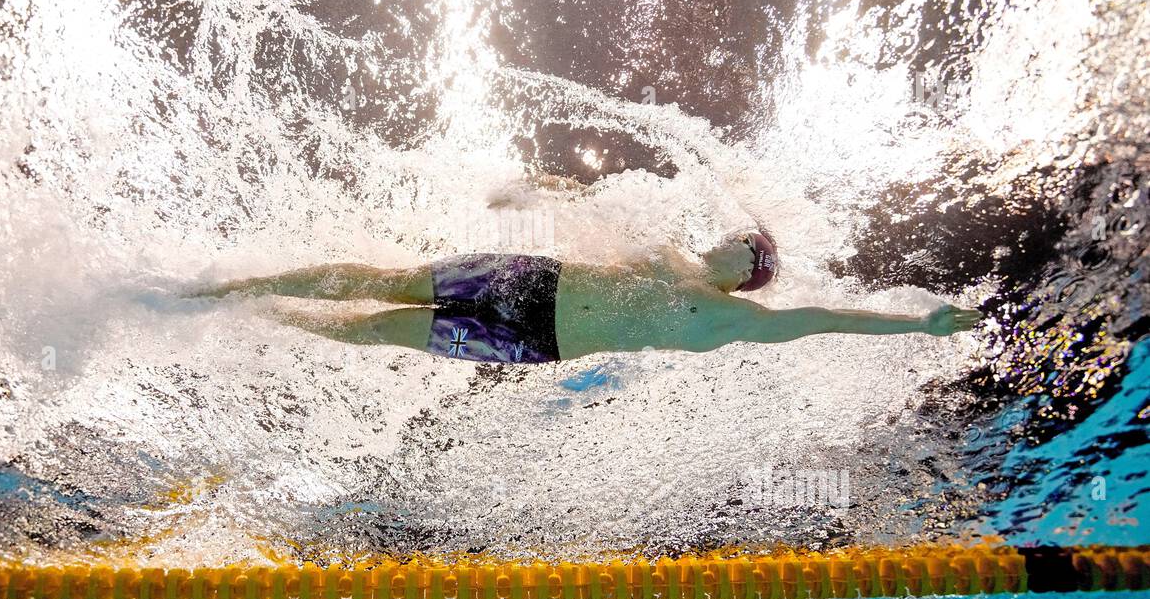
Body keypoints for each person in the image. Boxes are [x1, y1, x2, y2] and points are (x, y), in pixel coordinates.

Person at [192, 229, 982, 363]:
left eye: (745, 251)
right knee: (378, 281)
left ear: (747, 276)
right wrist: (532, 189)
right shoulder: (665, 251)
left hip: (539, 341)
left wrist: (919, 323)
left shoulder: (730, 319)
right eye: (735, 238)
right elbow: (586, 211)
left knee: (380, 330)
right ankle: (229, 290)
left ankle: (264, 314)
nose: (730, 245)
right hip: (527, 278)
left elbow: (819, 322)